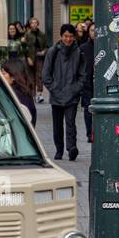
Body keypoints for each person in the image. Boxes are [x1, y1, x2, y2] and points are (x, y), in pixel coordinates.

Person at [42, 23, 85, 160]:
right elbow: (45, 75)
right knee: (57, 125)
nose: (68, 39)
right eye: (66, 36)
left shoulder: (78, 52)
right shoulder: (52, 51)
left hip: (72, 95)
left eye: (71, 36)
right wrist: (55, 89)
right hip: (57, 94)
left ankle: (71, 148)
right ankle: (59, 149)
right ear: (61, 36)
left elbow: (83, 75)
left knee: (71, 123)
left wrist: (75, 89)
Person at [2, 57, 37, 127]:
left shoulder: (16, 95)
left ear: (13, 76)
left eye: (4, 73)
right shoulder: (22, 92)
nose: (1, 75)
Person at [25, 17, 48, 102]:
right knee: (31, 75)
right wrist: (28, 58)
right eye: (32, 23)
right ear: (30, 24)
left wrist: (43, 52)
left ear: (37, 24)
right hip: (30, 55)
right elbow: (25, 47)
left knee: (39, 75)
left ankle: (40, 94)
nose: (34, 24)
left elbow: (46, 46)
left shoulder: (42, 34)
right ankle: (32, 94)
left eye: (35, 23)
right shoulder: (27, 34)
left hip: (39, 56)